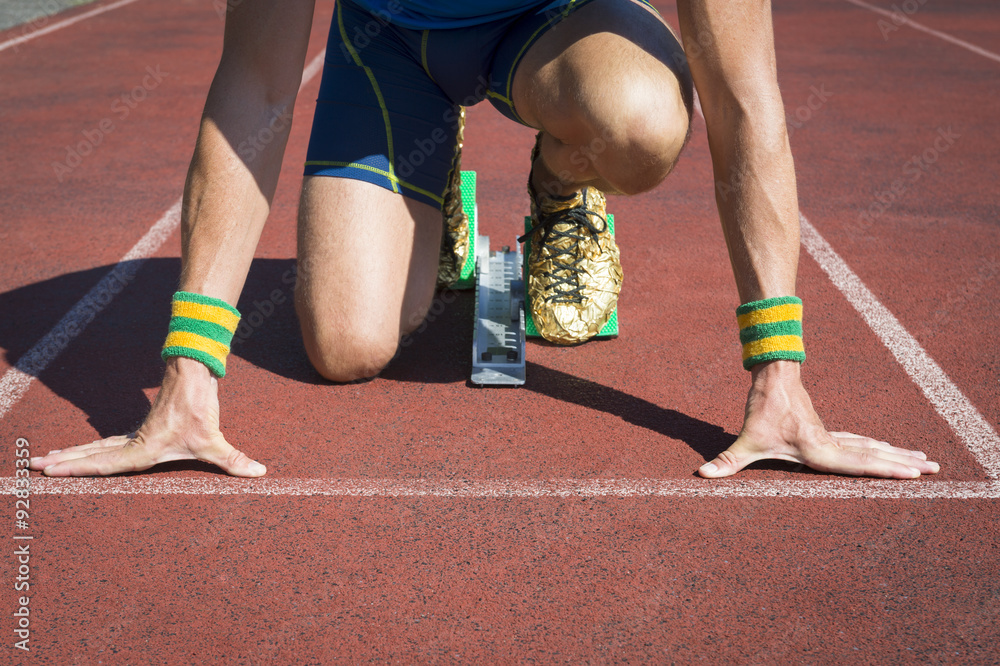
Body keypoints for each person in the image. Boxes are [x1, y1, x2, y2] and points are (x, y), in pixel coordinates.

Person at [30, 0, 939, 479]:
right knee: (346, 346)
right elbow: (257, 86)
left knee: (644, 123)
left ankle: (561, 185)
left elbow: (743, 99)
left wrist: (778, 376)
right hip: (386, 47)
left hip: (551, 30)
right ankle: (437, 199)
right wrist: (188, 373)